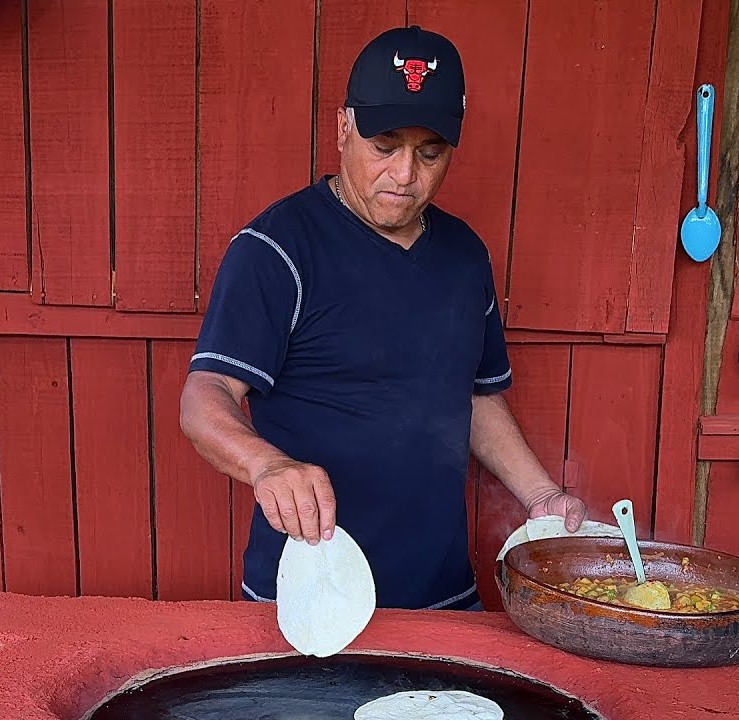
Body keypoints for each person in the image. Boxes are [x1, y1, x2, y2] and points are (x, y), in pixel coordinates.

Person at [179, 25, 586, 612]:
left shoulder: (464, 256)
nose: (404, 174)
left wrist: (542, 495)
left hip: (444, 600)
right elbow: (205, 395)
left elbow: (474, 398)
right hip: (307, 606)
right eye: (384, 146)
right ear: (343, 127)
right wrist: (267, 465)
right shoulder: (277, 250)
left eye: (429, 153)